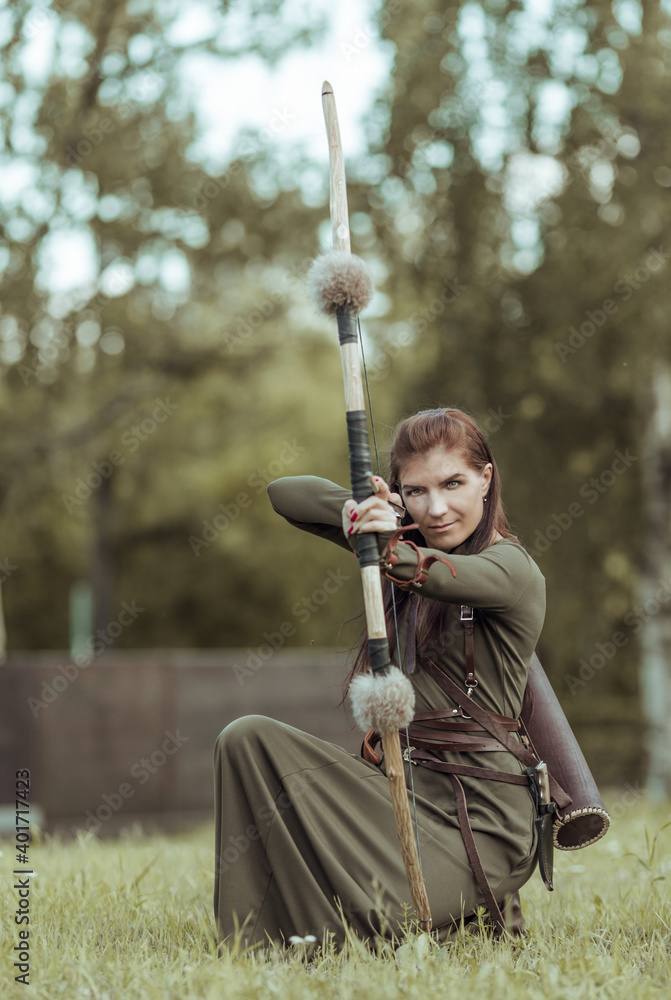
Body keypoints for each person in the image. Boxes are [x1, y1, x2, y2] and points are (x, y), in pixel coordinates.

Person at [213, 407, 543, 948]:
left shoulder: (512, 569)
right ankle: (253, 943)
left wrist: (388, 544)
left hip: (480, 830)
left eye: (453, 483)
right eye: (417, 491)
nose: (436, 508)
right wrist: (359, 511)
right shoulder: (397, 537)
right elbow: (284, 493)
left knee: (378, 916)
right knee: (245, 739)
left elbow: (440, 574)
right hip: (402, 799)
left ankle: (449, 915)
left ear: (486, 479)